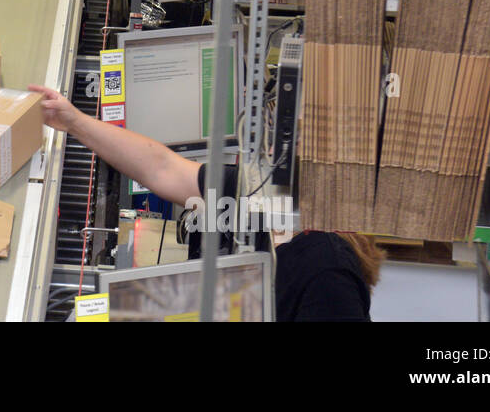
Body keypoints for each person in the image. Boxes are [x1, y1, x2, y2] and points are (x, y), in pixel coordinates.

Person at [28, 84, 384, 322]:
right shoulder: (253, 195)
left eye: (281, 146)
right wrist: (74, 122)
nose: (268, 151)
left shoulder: (329, 270)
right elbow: (161, 167)